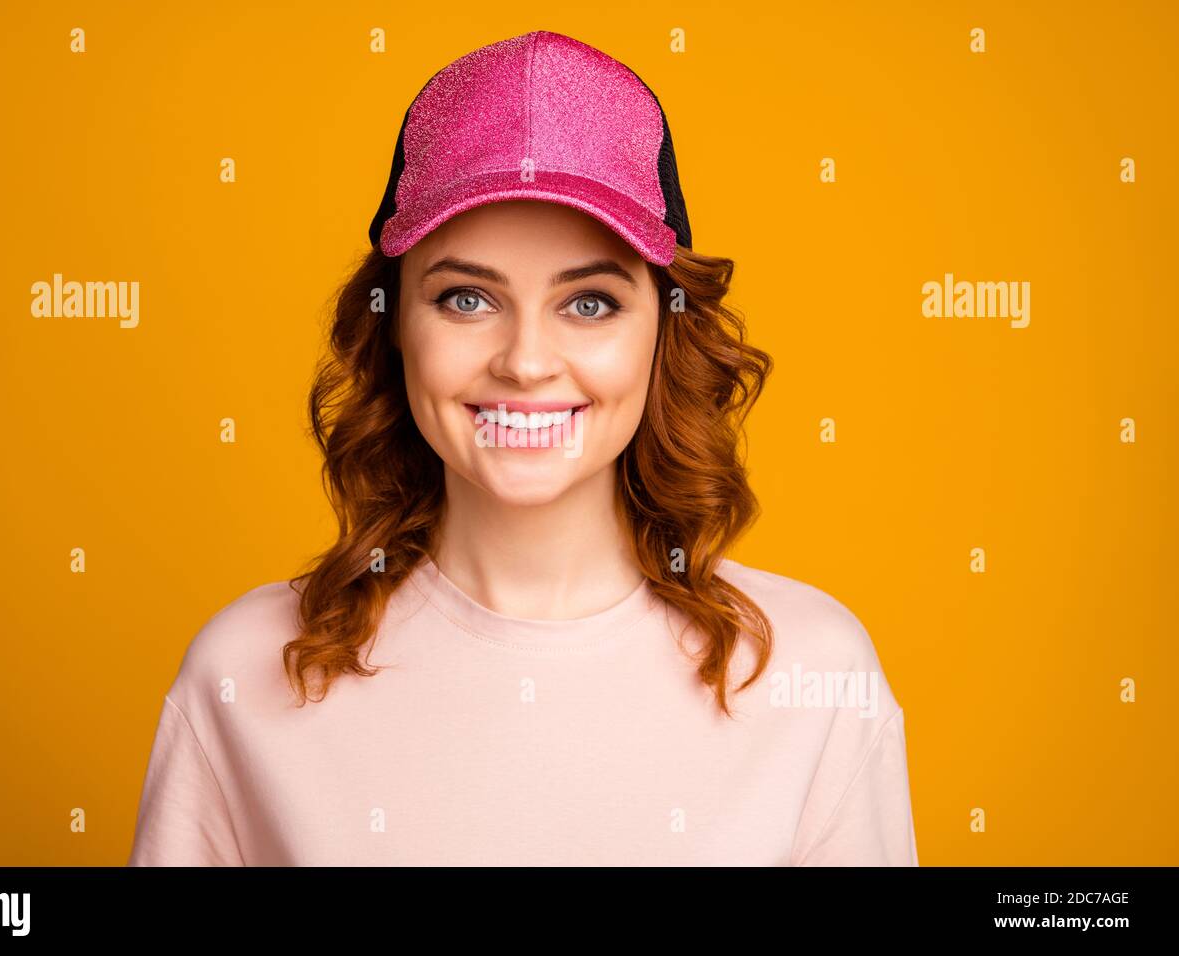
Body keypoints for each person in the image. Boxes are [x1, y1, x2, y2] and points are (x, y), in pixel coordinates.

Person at [127, 30, 919, 866]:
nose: (526, 361)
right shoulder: (243, 674)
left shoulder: (812, 675)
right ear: (395, 325)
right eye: (467, 298)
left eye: (589, 304)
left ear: (665, 331)